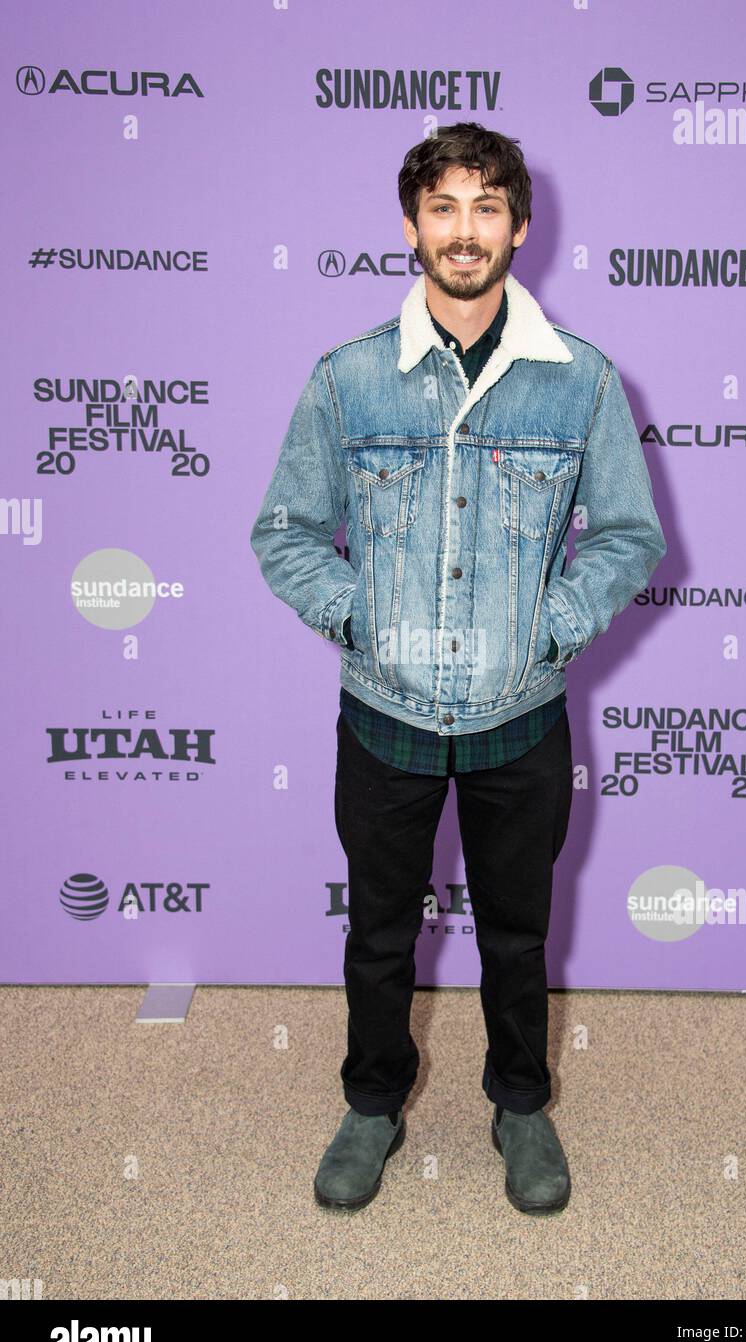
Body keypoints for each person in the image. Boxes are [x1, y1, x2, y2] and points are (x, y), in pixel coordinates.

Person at [249, 122, 666, 1214]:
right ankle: (372, 1102)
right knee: (379, 929)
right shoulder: (347, 380)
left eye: (487, 206)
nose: (464, 229)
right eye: (443, 207)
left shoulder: (577, 383)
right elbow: (286, 530)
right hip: (381, 712)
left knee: (519, 932)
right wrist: (362, 618)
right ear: (411, 228)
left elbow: (627, 535)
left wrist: (550, 623)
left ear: (519, 228)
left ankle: (519, 1103)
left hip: (519, 717)